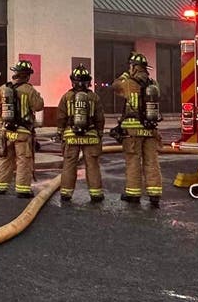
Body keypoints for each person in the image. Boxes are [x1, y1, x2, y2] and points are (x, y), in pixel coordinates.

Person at [112, 52, 163, 206]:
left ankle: (133, 194)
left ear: (133, 67)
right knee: (151, 161)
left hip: (133, 130)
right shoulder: (153, 84)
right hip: (150, 129)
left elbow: (115, 86)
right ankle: (155, 195)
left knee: (133, 161)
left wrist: (125, 75)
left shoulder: (129, 82)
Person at [0, 60, 44, 198]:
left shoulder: (3, 88)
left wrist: (2, 120)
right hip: (23, 132)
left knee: (5, 158)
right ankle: (22, 189)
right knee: (23, 160)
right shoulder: (29, 90)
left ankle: (0, 186)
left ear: (15, 73)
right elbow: (39, 106)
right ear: (27, 76)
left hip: (7, 131)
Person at [57, 66, 105, 203]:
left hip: (71, 136)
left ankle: (66, 193)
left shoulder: (66, 97)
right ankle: (96, 194)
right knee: (92, 164)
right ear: (88, 82)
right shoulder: (94, 97)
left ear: (73, 81)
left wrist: (60, 132)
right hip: (90, 136)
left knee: (69, 164)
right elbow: (99, 118)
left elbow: (61, 116)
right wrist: (99, 133)